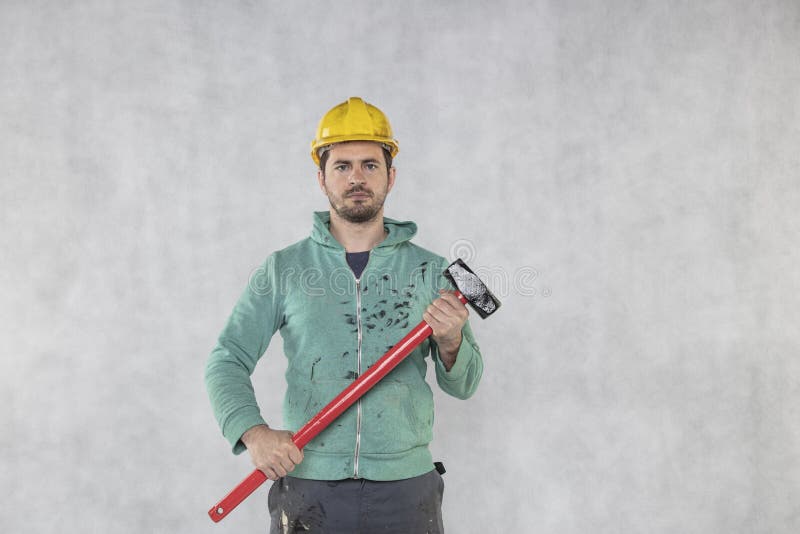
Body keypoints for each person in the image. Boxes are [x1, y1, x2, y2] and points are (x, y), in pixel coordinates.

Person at [205, 97, 484, 533]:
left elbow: (465, 385)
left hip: (405, 490)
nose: (357, 177)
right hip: (309, 488)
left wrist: (451, 341)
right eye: (343, 166)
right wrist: (254, 434)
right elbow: (226, 359)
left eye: (370, 165)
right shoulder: (283, 269)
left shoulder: (432, 271)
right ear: (322, 179)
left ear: (391, 177)